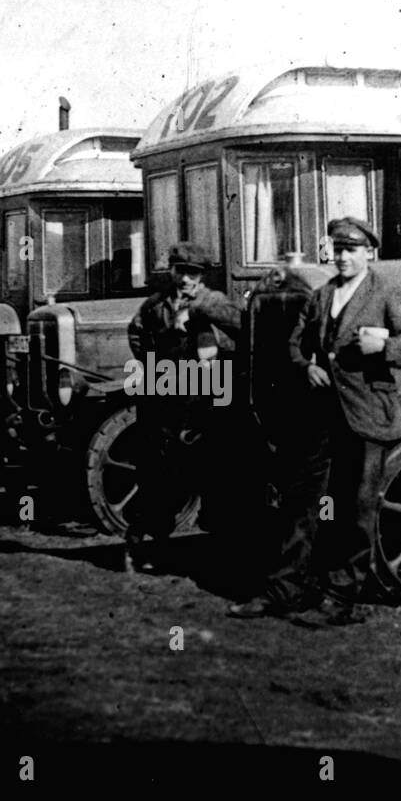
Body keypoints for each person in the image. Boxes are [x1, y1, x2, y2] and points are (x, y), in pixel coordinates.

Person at [228, 217, 401, 627]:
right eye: (337, 250)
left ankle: (339, 599)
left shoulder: (386, 292)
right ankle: (284, 590)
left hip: (366, 415)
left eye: (351, 250)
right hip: (320, 416)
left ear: (369, 252)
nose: (343, 257)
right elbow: (295, 343)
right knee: (303, 503)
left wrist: (383, 345)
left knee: (355, 511)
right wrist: (305, 367)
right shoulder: (322, 296)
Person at [123, 242, 240, 571]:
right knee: (157, 471)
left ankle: (219, 548)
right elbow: (136, 332)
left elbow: (241, 327)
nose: (186, 279)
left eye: (193, 274)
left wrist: (203, 315)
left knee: (210, 469)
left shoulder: (213, 301)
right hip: (164, 393)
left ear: (201, 276)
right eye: (181, 272)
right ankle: (154, 543)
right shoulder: (156, 305)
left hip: (205, 394)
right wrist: (151, 363)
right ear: (171, 271)